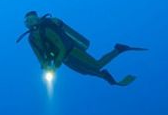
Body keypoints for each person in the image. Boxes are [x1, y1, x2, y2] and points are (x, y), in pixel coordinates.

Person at [17, 11, 146, 86]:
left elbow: (61, 46)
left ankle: (118, 49)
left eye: (32, 20)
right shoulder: (31, 38)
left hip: (71, 51)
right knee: (85, 71)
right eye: (27, 21)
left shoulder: (47, 29)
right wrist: (45, 66)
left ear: (37, 19)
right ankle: (104, 75)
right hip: (65, 60)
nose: (29, 23)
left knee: (97, 64)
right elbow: (39, 56)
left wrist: (56, 63)